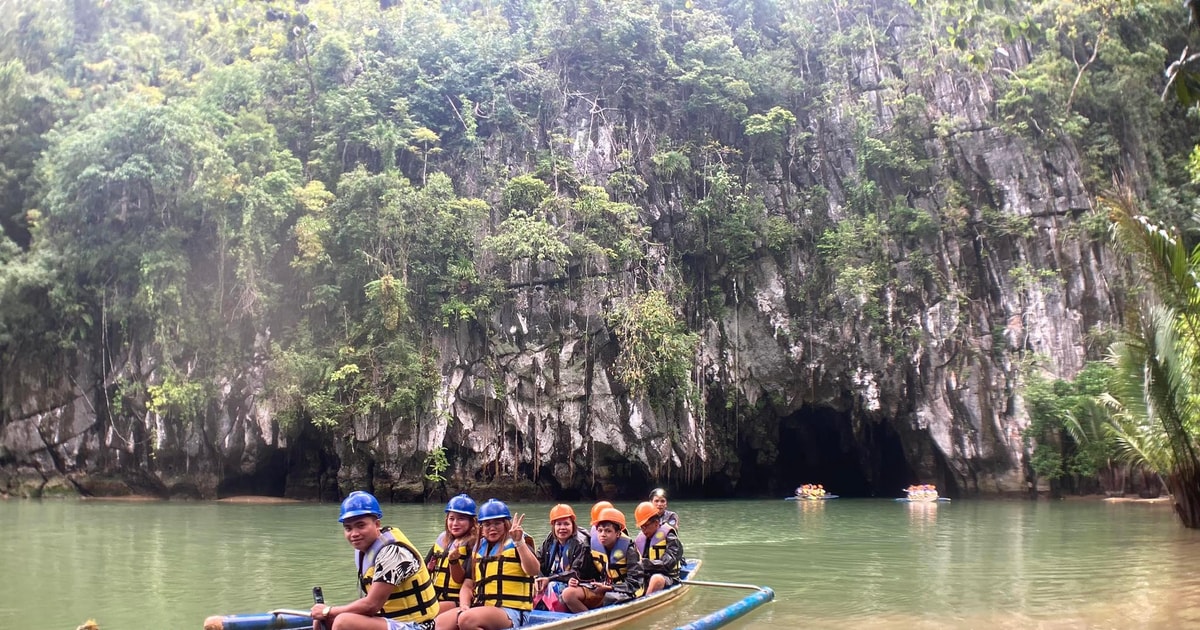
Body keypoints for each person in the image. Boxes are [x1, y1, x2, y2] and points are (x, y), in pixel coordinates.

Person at [310, 491, 439, 630]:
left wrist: (327, 610)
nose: (354, 534)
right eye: (348, 528)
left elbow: (372, 605)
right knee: (324, 620)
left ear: (377, 524)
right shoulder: (365, 551)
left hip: (419, 626)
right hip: (390, 620)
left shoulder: (393, 553)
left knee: (342, 621)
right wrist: (328, 614)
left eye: (361, 525)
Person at [434, 499, 540, 630]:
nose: (492, 528)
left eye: (497, 523)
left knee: (467, 620)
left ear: (506, 524)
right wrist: (464, 606)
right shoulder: (478, 549)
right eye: (487, 524)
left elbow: (533, 570)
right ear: (481, 527)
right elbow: (467, 586)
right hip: (481, 607)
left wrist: (519, 542)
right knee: (439, 623)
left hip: (512, 611)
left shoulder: (517, 544)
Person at [562, 507, 638, 611]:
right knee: (568, 594)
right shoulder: (591, 547)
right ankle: (589, 621)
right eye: (600, 531)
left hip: (624, 590)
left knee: (610, 597)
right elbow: (582, 572)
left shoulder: (630, 550)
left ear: (618, 533)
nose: (603, 535)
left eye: (608, 531)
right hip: (602, 586)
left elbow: (636, 583)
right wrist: (575, 581)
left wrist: (611, 588)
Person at [425, 494, 478, 614]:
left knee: (425, 613)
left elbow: (460, 580)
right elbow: (424, 569)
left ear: (472, 521)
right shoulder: (442, 539)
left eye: (461, 519)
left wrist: (453, 561)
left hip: (456, 600)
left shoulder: (474, 544)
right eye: (451, 518)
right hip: (434, 597)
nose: (455, 523)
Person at [532, 504, 589, 612]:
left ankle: (556, 618)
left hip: (576, 583)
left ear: (573, 525)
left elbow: (576, 572)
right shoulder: (550, 540)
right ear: (553, 526)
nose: (562, 528)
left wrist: (549, 579)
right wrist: (538, 578)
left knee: (552, 586)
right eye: (559, 524)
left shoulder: (581, 543)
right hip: (551, 580)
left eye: (566, 524)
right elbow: (537, 562)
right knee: (533, 586)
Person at [625, 501, 683, 597]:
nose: (643, 530)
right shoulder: (640, 539)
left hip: (667, 577)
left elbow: (667, 564)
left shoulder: (670, 537)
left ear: (656, 523)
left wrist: (644, 563)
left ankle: (643, 604)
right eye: (641, 527)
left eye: (646, 526)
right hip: (646, 575)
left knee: (656, 579)